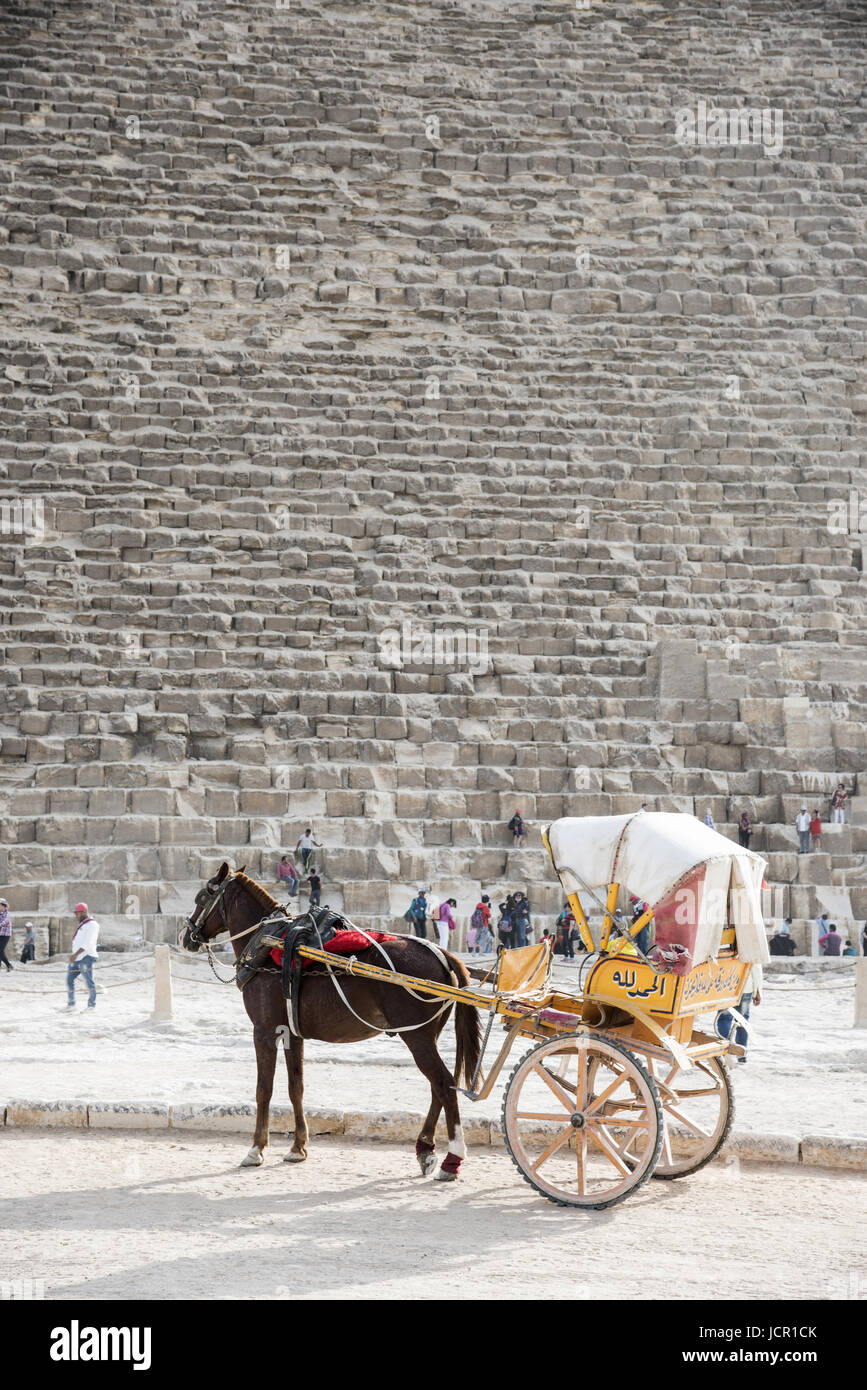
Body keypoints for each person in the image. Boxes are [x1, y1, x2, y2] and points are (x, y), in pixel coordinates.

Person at [716, 962, 761, 1063]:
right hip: (746, 986)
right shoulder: (751, 947)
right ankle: (741, 1052)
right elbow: (756, 968)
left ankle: (722, 1052)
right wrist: (757, 990)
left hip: (726, 986)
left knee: (724, 1018)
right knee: (742, 1020)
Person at [67, 902, 99, 1010]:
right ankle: (71, 1004)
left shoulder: (92, 925)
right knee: (69, 979)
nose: (76, 915)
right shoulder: (83, 924)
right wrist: (74, 955)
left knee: (88, 981)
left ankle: (91, 1006)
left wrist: (75, 954)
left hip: (86, 957)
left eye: (78, 913)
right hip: (77, 957)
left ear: (84, 912)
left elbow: (88, 943)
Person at [0, 899, 13, 972]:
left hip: (5, 934)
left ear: (3, 906)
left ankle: (8, 965)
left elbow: (4, 922)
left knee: (0, 950)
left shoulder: (7, 913)